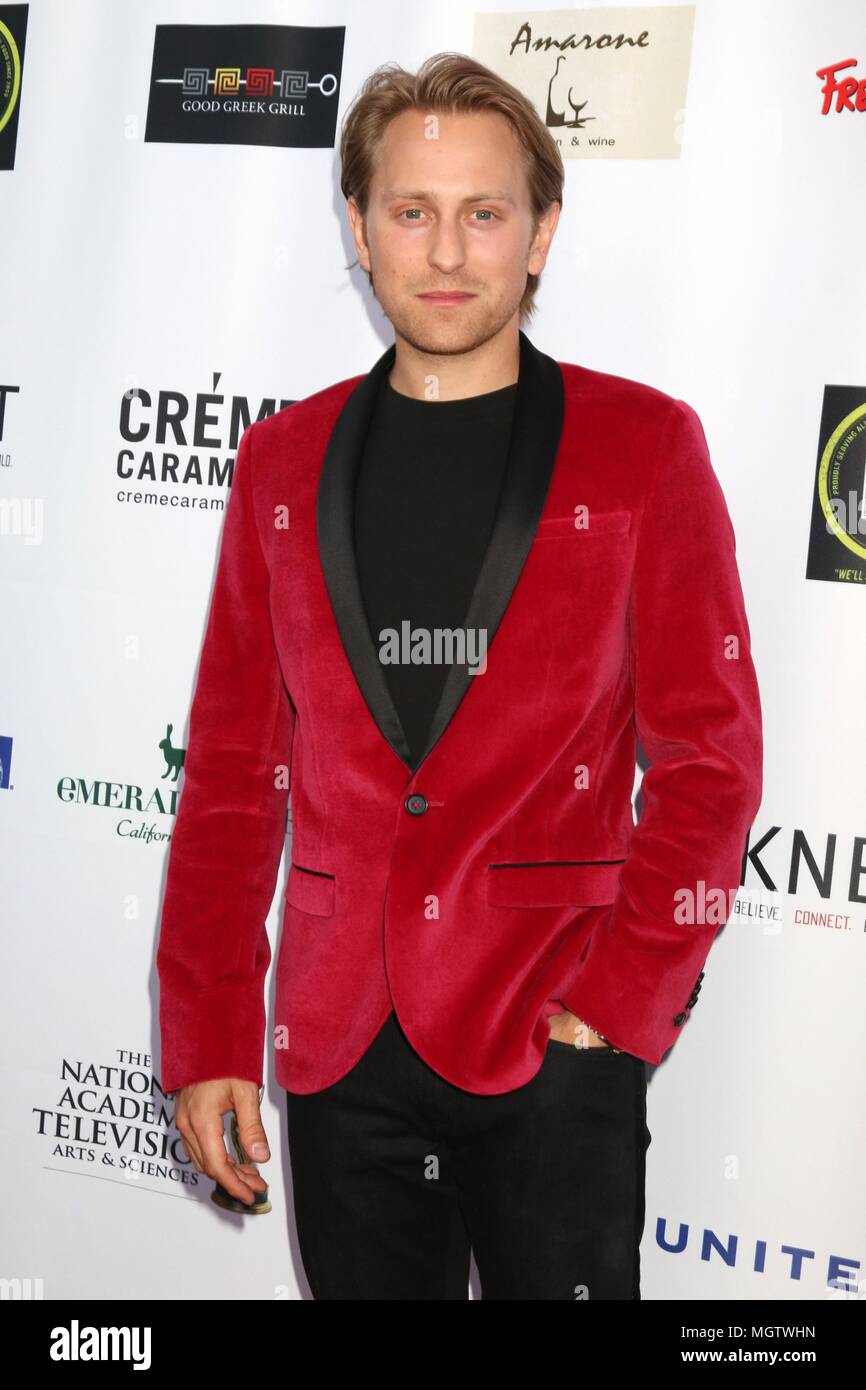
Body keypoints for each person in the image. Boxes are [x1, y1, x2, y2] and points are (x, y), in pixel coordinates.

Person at [156, 52, 763, 1299]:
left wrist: (615, 1007)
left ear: (540, 233)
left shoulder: (643, 448)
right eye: (410, 211)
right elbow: (229, 774)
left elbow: (710, 761)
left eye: (483, 213)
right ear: (358, 228)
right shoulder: (279, 463)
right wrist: (211, 1027)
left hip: (552, 1041)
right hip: (337, 1057)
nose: (445, 251)